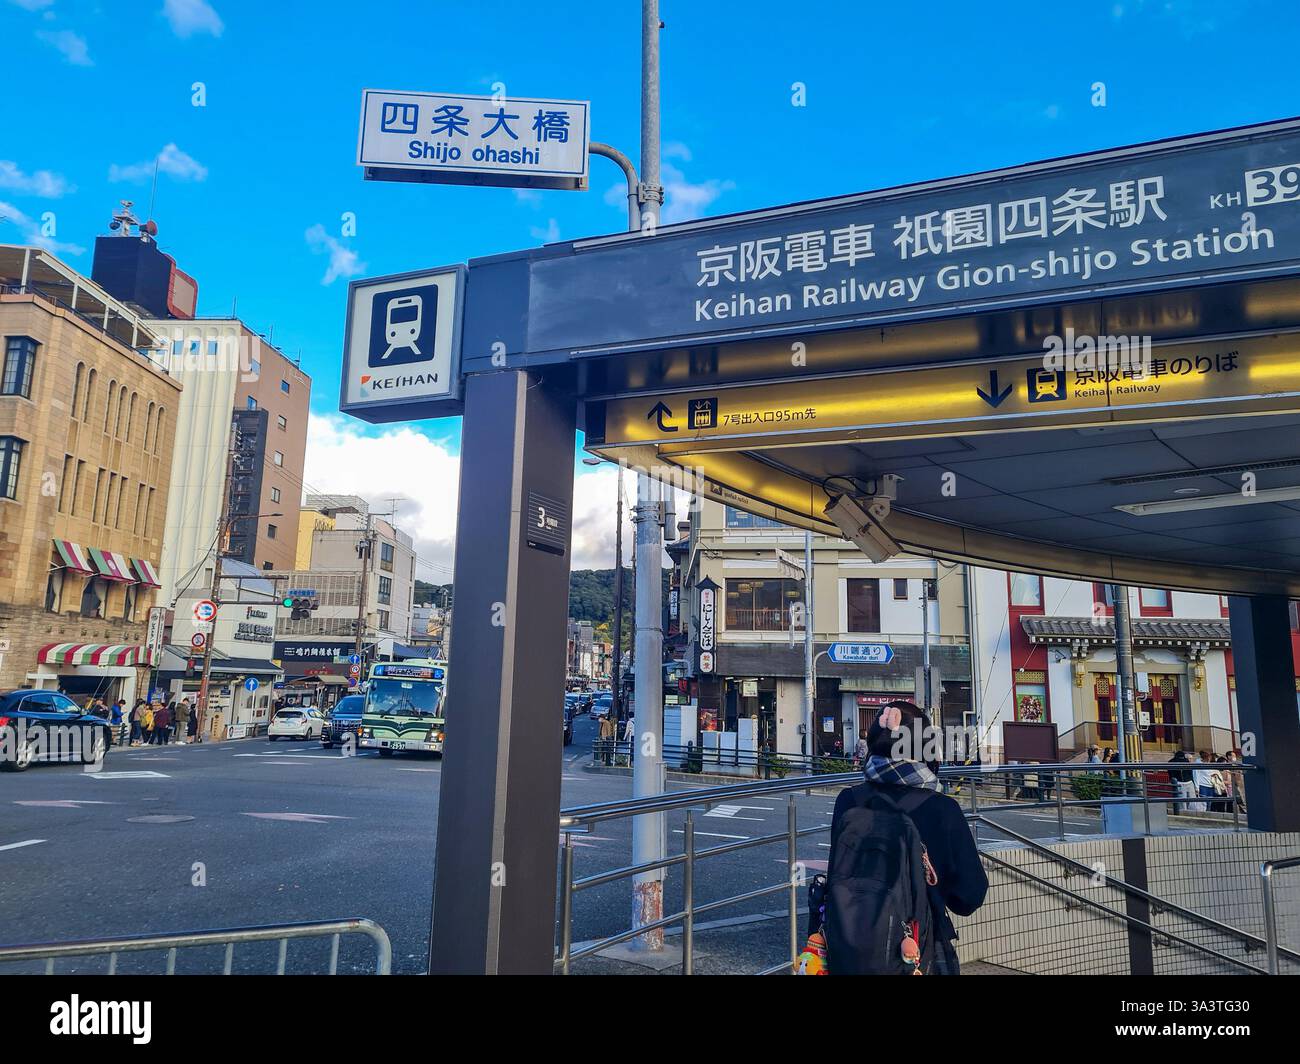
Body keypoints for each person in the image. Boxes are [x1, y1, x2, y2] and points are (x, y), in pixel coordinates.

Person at [828, 700, 988, 974]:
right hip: (918, 952)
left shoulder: (848, 800)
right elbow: (969, 896)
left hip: (849, 947)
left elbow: (837, 872)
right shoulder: (942, 808)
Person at [1167, 750, 1194, 814]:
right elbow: (1190, 772)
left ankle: (1184, 813)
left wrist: (1172, 780)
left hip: (1180, 782)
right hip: (1185, 781)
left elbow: (1170, 773)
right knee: (1190, 800)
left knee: (1183, 801)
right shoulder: (1186, 761)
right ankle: (1187, 813)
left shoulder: (1171, 762)